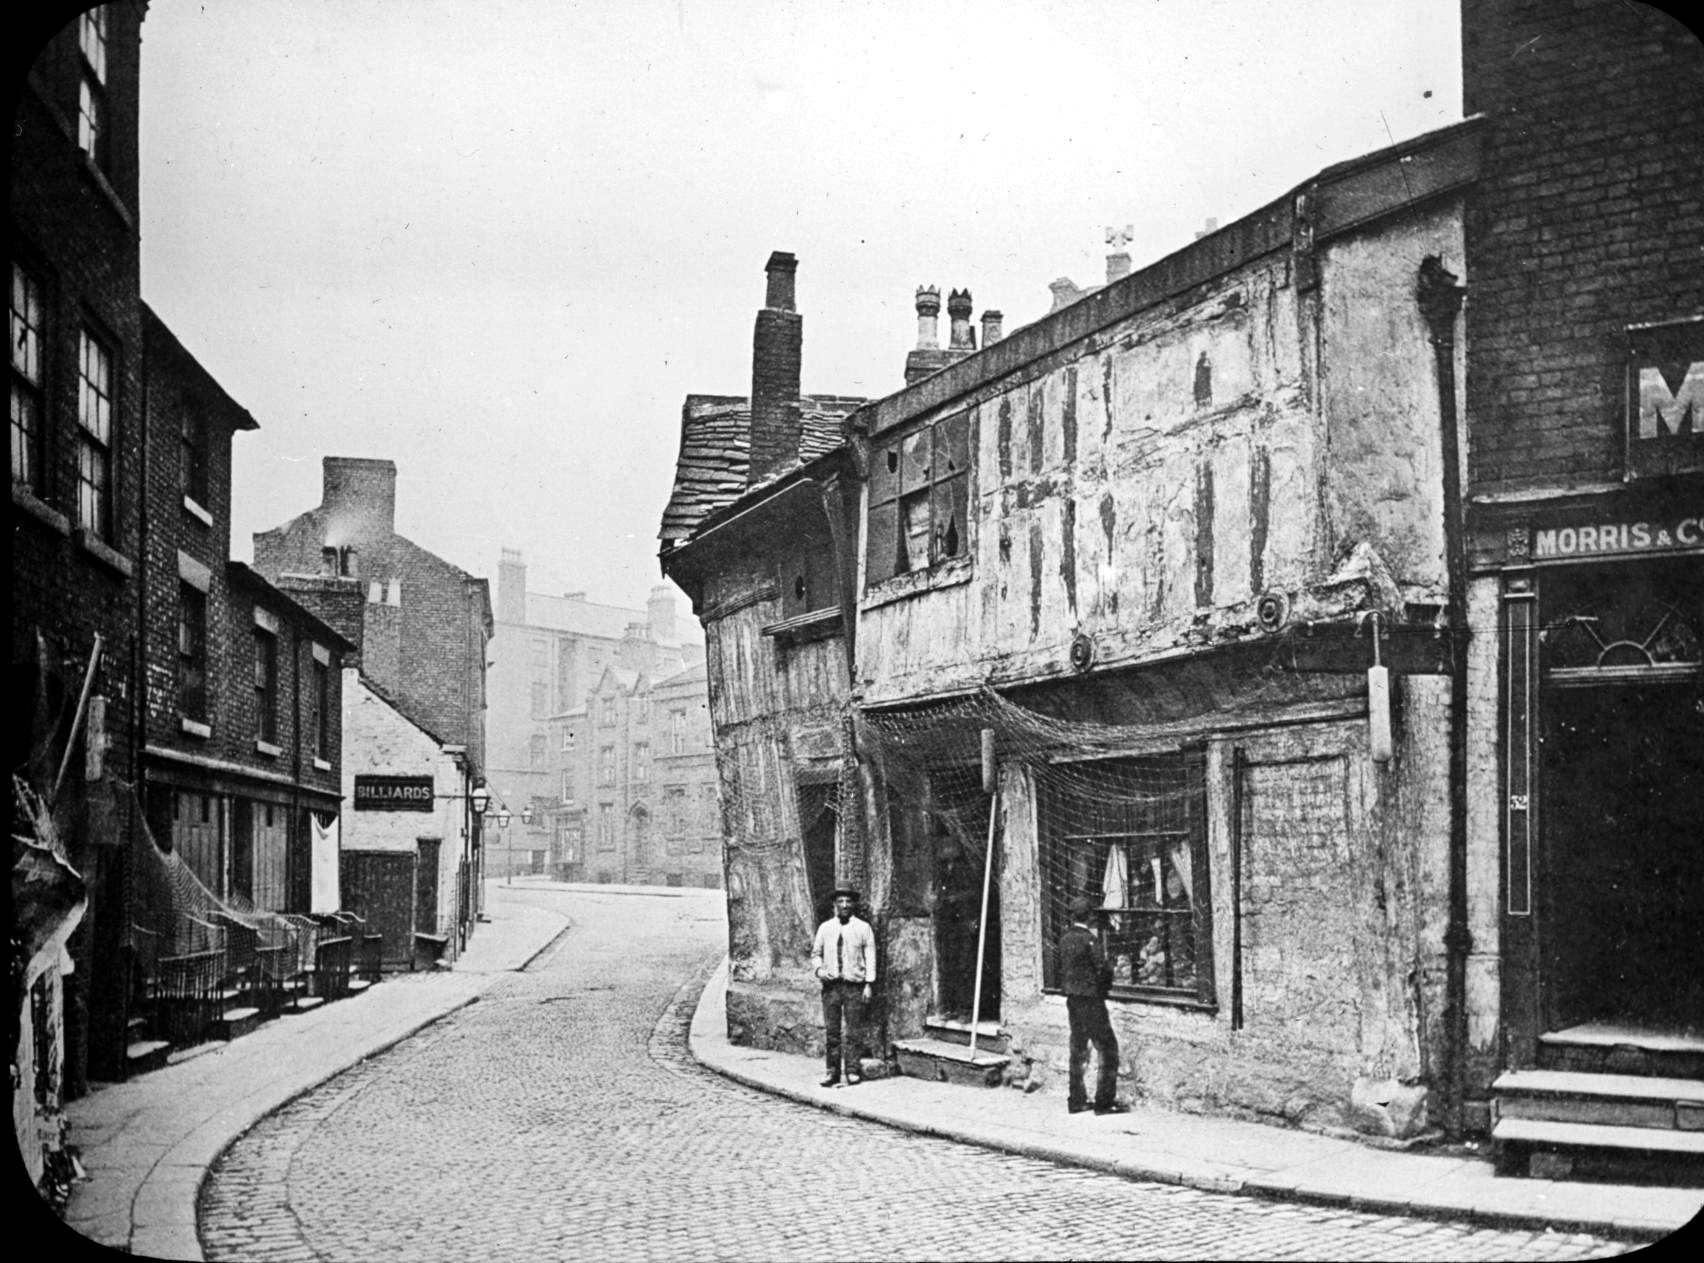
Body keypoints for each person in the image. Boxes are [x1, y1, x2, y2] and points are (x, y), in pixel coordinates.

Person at [1059, 894, 1128, 1115]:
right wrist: (1104, 988)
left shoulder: (1065, 938)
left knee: (1078, 1048)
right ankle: (1104, 1102)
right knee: (1107, 1048)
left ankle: (1076, 1100)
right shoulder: (1091, 940)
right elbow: (1103, 969)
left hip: (1073, 999)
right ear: (1089, 916)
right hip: (1091, 1000)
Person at [811, 885, 877, 1087]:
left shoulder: (863, 928)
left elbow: (871, 957)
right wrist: (820, 971)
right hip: (831, 987)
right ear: (835, 904)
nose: (845, 905)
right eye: (841, 901)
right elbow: (815, 954)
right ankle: (832, 1072)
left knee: (853, 1031)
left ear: (853, 904)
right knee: (832, 1032)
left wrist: (868, 984)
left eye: (848, 901)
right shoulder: (825, 928)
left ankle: (852, 1070)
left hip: (854, 986)